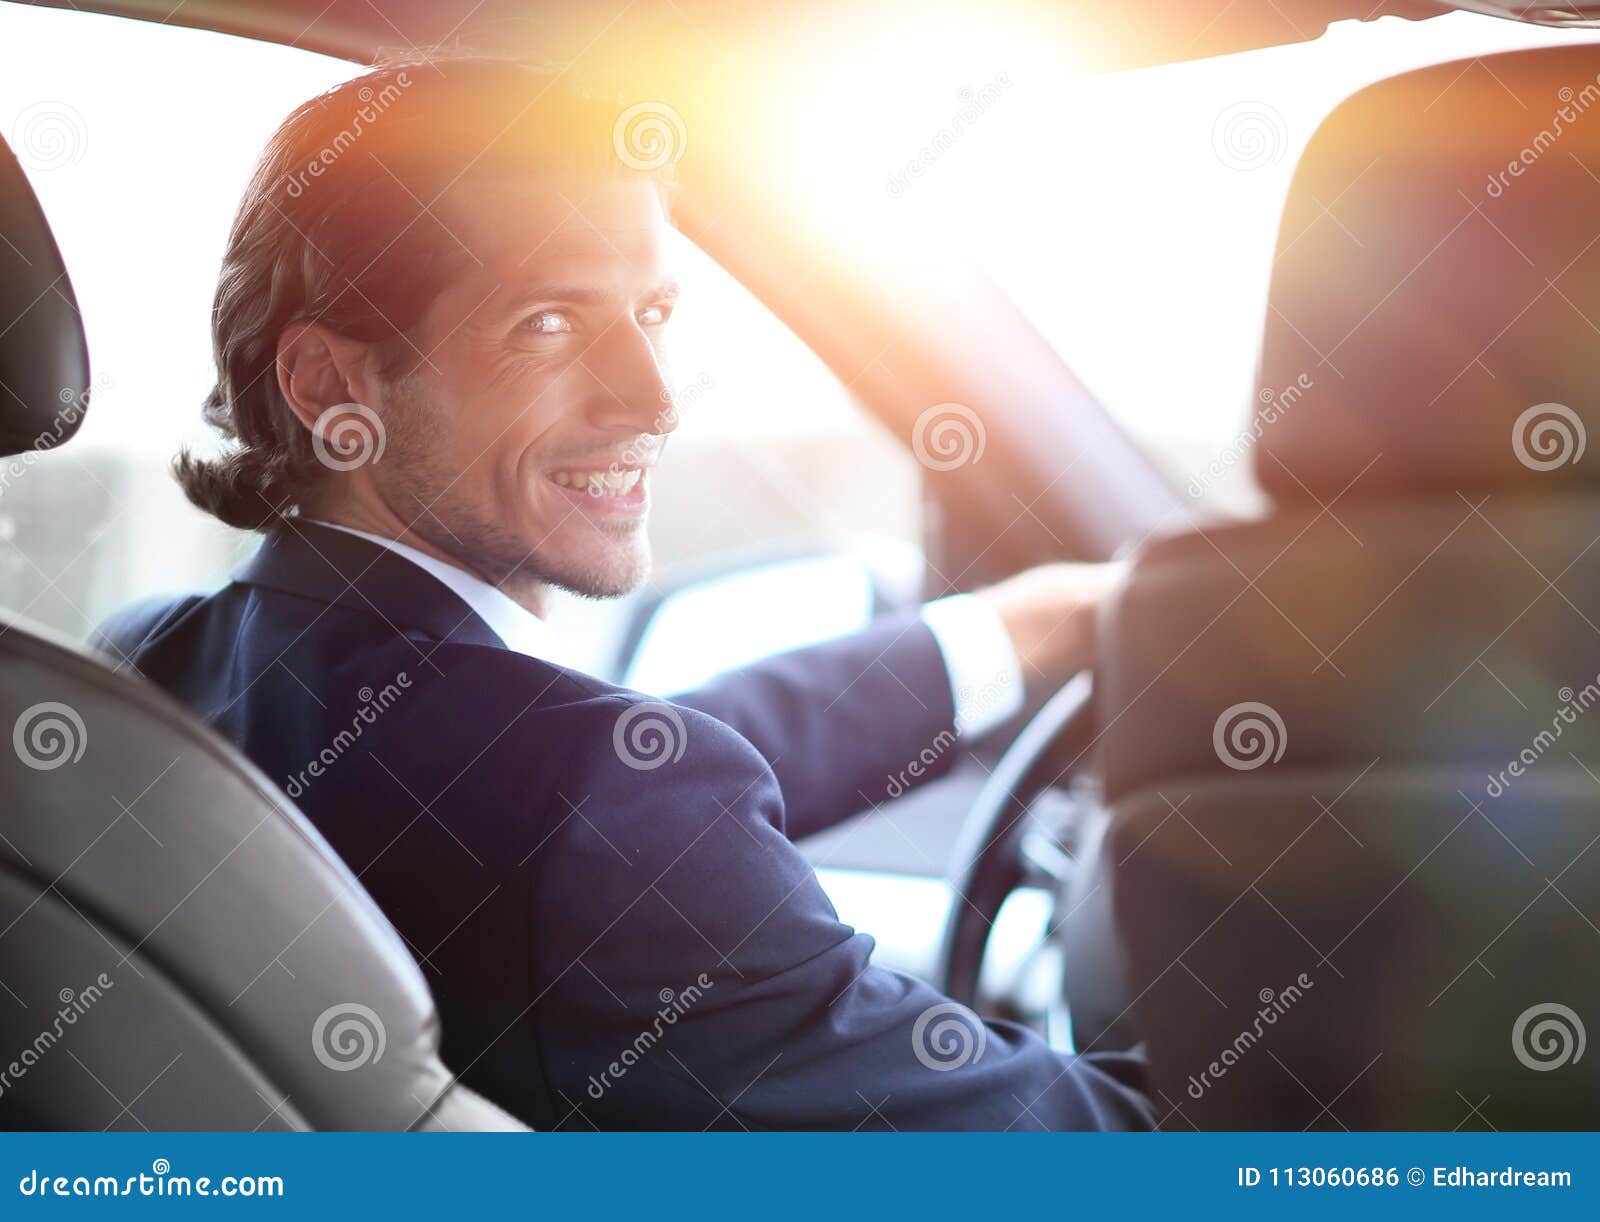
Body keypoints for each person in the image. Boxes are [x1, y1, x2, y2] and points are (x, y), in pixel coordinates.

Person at [99, 55, 1148, 1130]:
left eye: (652, 311)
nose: (653, 399)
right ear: (332, 385)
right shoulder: (595, 811)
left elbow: (598, 780)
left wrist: (1025, 630)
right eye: (548, 323)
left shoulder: (144, 673)